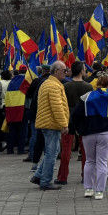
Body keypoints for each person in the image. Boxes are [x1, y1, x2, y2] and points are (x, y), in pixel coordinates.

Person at [70, 72, 108, 200]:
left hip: (88, 132)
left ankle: (88, 189)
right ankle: (99, 191)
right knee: (102, 162)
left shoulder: (86, 97)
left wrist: (78, 128)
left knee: (89, 161)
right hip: (105, 132)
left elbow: (75, 114)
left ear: (97, 84)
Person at [30, 61, 69, 190]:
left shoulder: (49, 83)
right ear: (56, 71)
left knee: (51, 152)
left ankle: (38, 176)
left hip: (48, 123)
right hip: (51, 124)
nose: (66, 72)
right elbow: (57, 106)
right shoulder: (53, 85)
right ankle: (45, 182)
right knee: (52, 154)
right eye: (64, 70)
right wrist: (64, 124)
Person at [56, 61, 92, 185]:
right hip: (84, 119)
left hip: (69, 118)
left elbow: (62, 104)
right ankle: (85, 176)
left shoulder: (65, 86)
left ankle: (62, 177)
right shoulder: (88, 87)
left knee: (66, 149)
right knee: (85, 150)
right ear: (82, 71)